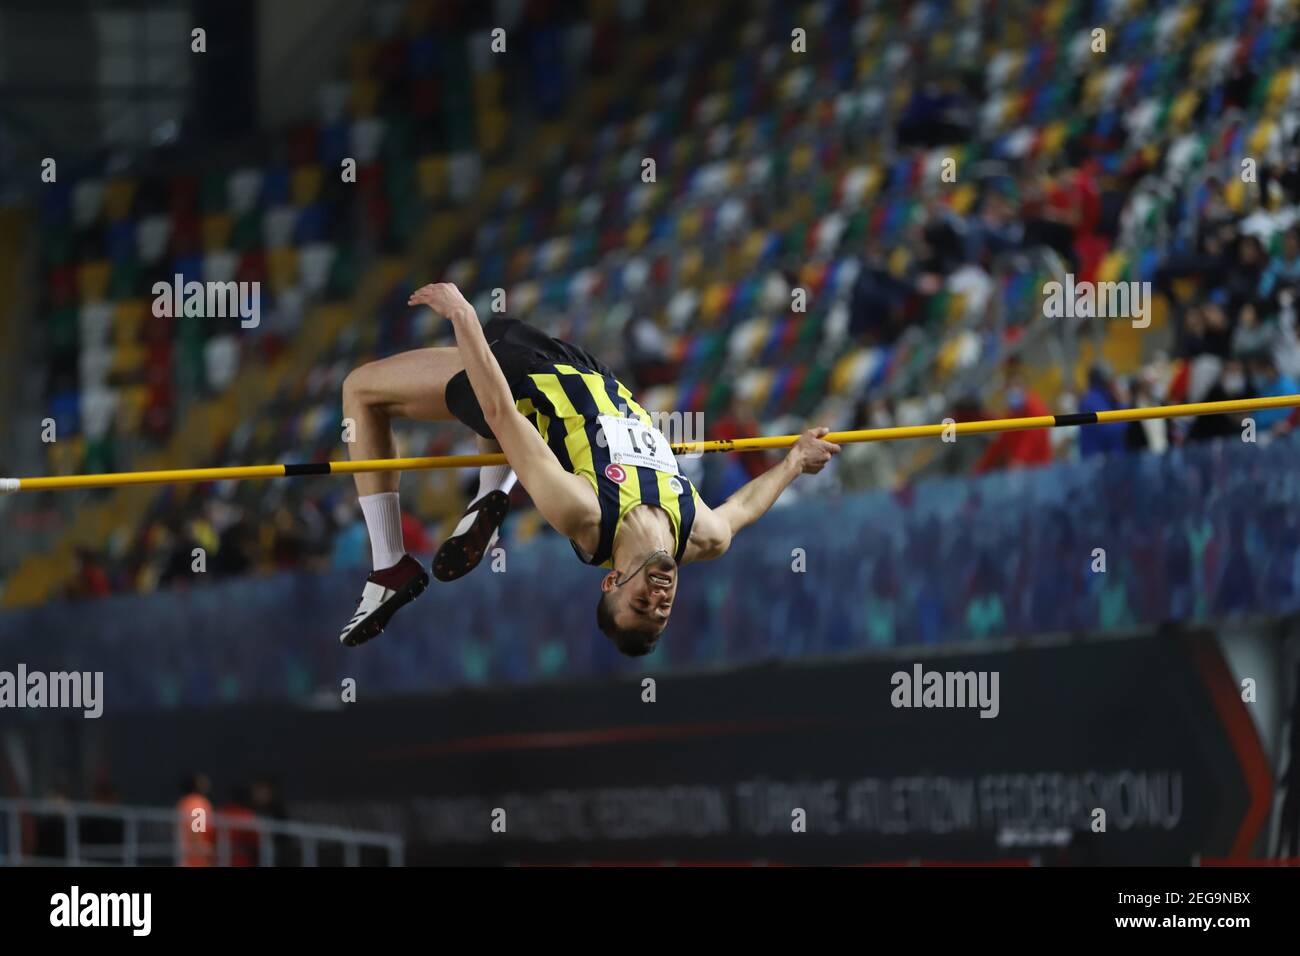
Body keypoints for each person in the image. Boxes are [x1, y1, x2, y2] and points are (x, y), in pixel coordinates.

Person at [336, 283, 840, 655]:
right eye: (662, 614)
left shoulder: (584, 514)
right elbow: (744, 508)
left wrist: (462, 317)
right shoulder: (701, 534)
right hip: (589, 372)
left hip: (522, 384)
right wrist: (795, 461)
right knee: (513, 423)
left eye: (639, 605)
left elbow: (501, 412)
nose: (658, 602)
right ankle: (489, 495)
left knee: (362, 390)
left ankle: (390, 562)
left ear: (612, 580)